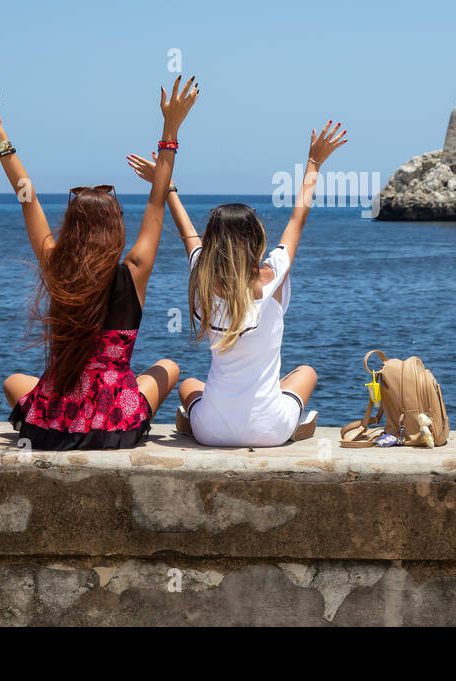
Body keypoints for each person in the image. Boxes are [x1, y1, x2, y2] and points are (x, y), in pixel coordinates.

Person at [0, 78, 198, 450]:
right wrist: (170, 129)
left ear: (71, 225)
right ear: (114, 227)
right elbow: (156, 203)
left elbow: (27, 197)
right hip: (115, 424)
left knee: (13, 382)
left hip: (53, 424)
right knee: (169, 368)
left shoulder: (56, 265)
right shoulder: (133, 269)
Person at [126, 120, 347, 447]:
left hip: (210, 431)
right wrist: (314, 163)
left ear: (213, 242)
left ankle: (190, 421)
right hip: (270, 430)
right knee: (306, 374)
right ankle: (293, 423)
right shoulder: (273, 277)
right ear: (256, 238)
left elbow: (188, 232)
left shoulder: (201, 275)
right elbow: (298, 218)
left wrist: (166, 185)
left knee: (189, 384)